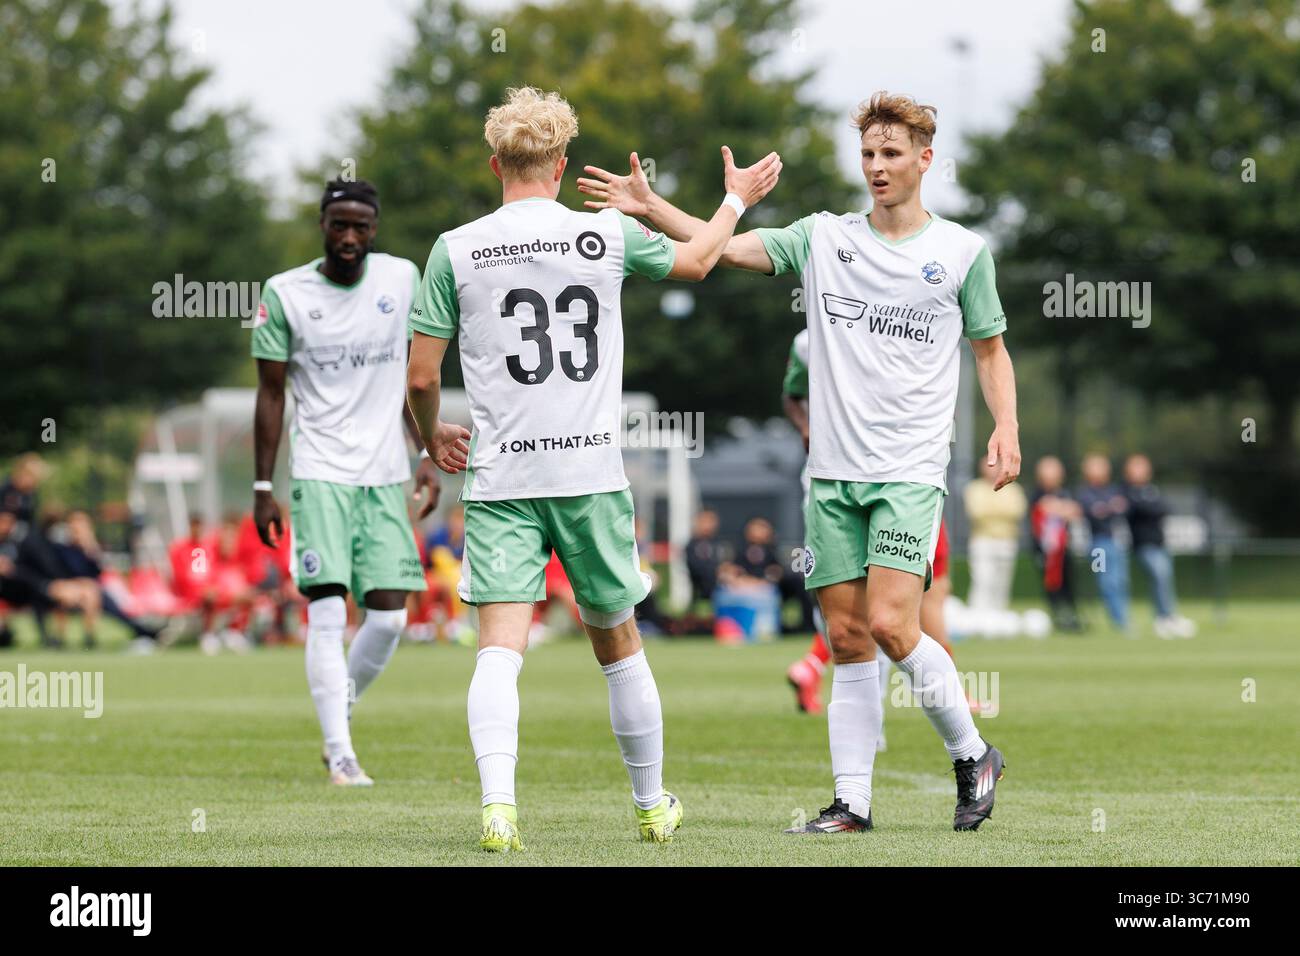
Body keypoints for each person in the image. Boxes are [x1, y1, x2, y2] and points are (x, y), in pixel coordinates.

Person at [580, 90, 1014, 833]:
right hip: (832, 476)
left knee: (889, 624)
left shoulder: (963, 253)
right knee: (845, 639)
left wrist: (1005, 426)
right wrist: (652, 207)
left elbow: (990, 350)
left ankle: (973, 752)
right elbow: (720, 252)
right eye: (869, 154)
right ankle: (853, 803)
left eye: (892, 154)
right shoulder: (823, 237)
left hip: (909, 470)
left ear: (924, 159)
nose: (877, 167)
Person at [407, 86, 780, 850]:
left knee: (499, 648)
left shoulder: (456, 247)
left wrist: (429, 436)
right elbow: (702, 261)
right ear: (562, 163)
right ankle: (649, 806)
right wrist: (734, 199)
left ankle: (498, 809)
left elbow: (419, 378)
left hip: (503, 480)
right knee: (617, 644)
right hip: (588, 477)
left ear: (495, 164)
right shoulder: (603, 235)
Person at [250, 178, 441, 786]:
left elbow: (415, 377)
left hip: (386, 473)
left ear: (375, 227)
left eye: (362, 225)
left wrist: (427, 456)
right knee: (328, 611)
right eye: (340, 224)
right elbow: (271, 393)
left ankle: (339, 705)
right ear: (322, 225)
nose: (351, 236)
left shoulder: (403, 278)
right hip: (319, 474)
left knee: (388, 618)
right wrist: (262, 488)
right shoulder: (284, 293)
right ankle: (340, 753)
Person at [1124, 454, 1195, 638]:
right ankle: (1163, 618)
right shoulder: (1127, 492)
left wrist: (1149, 507)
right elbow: (1143, 509)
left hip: (1160, 544)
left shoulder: (1151, 490)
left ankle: (1169, 616)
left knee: (1165, 579)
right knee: (1159, 576)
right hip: (1144, 545)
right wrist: (1148, 507)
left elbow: (1163, 508)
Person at [963, 458, 1027, 611]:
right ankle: (978, 614)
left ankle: (998, 615)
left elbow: (1017, 511)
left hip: (1006, 541)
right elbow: (977, 513)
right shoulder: (974, 488)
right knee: (982, 579)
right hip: (982, 540)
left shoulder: (1013, 488)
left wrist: (991, 511)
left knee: (1002, 581)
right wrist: (1001, 511)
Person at [1076, 454, 1130, 632]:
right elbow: (1097, 512)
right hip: (1098, 544)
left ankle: (1123, 619)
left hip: (1116, 543)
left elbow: (1120, 508)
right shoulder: (1085, 493)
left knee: (1120, 581)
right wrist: (1110, 508)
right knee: (1106, 581)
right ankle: (1117, 621)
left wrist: (1108, 508)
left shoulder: (1114, 490)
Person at [1029, 456, 1083, 632]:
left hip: (1065, 548)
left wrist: (1057, 507)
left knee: (1069, 583)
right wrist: (1062, 508)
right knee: (1051, 584)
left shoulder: (1065, 492)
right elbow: (1043, 509)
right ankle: (1057, 615)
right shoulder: (1036, 494)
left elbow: (1075, 511)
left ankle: (1072, 615)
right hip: (1044, 550)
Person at [684, 508, 723, 607]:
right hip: (702, 591)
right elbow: (695, 567)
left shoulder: (717, 543)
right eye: (705, 521)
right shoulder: (693, 545)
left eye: (711, 521)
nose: (708, 525)